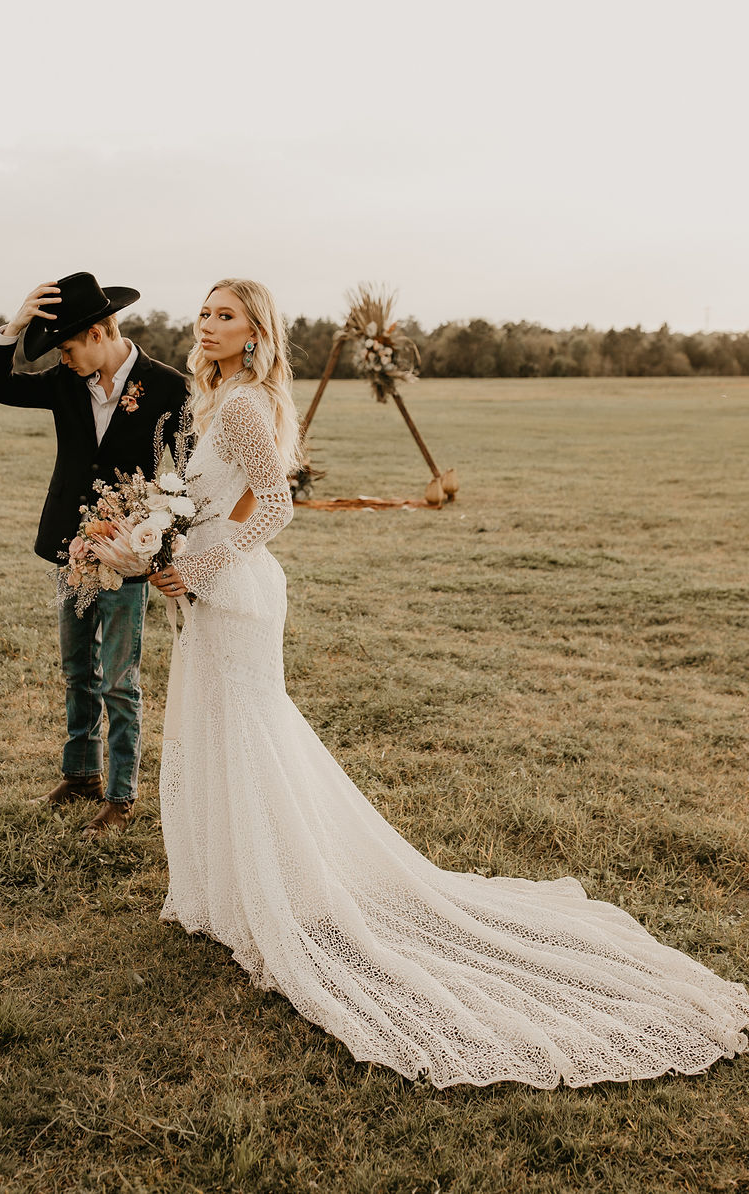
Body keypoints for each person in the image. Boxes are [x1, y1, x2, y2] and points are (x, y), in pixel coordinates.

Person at [100, 277, 748, 1088]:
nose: (207, 323)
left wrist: (194, 560)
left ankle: (278, 896)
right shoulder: (221, 395)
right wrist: (168, 544)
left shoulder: (241, 405)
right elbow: (219, 501)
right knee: (230, 731)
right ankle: (239, 891)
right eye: (203, 312)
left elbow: (274, 508)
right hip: (214, 588)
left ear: (256, 330)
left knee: (249, 733)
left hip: (233, 590)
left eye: (225, 315)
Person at [0, 273, 188, 837]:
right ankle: (81, 774)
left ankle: (121, 797)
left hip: (129, 555)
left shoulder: (169, 387)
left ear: (99, 332)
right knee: (78, 669)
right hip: (70, 549)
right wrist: (16, 324)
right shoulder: (66, 383)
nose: (63, 359)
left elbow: (190, 477)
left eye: (67, 347)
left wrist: (166, 545)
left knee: (120, 678)